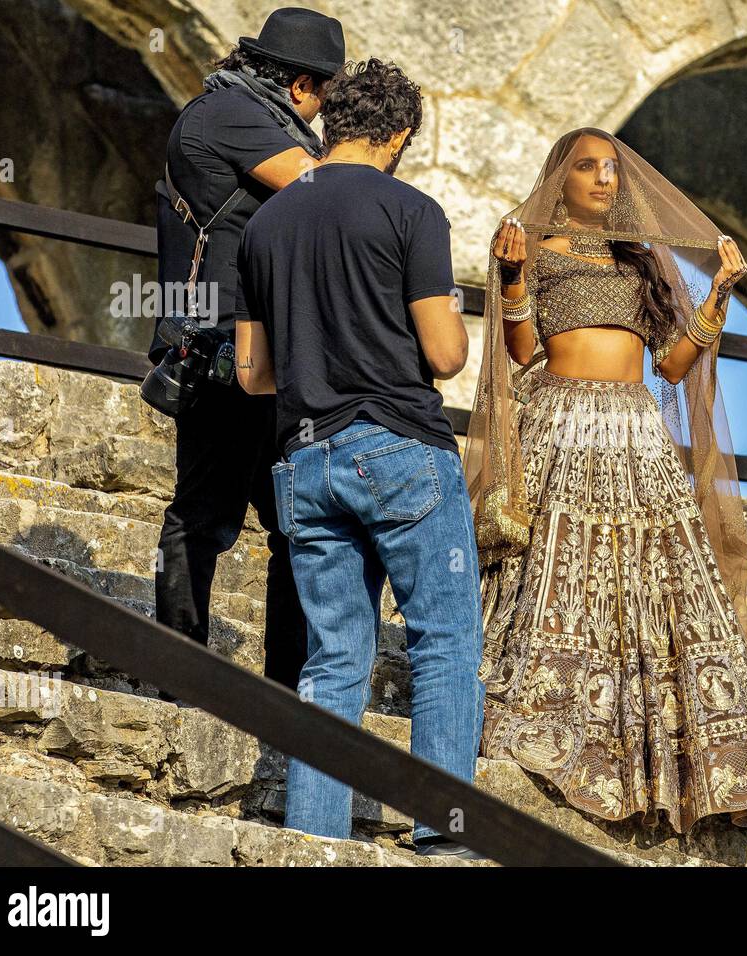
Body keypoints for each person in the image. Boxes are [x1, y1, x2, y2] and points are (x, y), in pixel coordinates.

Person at [465, 128, 747, 834]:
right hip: (563, 423)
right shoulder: (530, 248)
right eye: (586, 167)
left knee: (654, 587)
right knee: (560, 580)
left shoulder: (641, 262)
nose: (602, 179)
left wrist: (716, 296)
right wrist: (514, 278)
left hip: (639, 435)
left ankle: (673, 763)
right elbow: (521, 350)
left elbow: (674, 365)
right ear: (559, 177)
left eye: (612, 170)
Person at [235, 58, 485, 858]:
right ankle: (442, 836)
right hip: (401, 443)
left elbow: (253, 374)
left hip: (304, 459)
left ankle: (315, 841)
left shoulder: (267, 223)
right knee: (444, 639)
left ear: (329, 121)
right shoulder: (412, 209)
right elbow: (445, 357)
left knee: (333, 657)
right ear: (399, 133)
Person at [151, 7, 345, 692]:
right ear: (300, 85)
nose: (326, 115)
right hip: (221, 347)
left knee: (298, 522)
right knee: (204, 514)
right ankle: (177, 672)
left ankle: (284, 693)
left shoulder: (251, 115)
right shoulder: (229, 113)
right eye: (327, 96)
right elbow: (325, 191)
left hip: (266, 352)